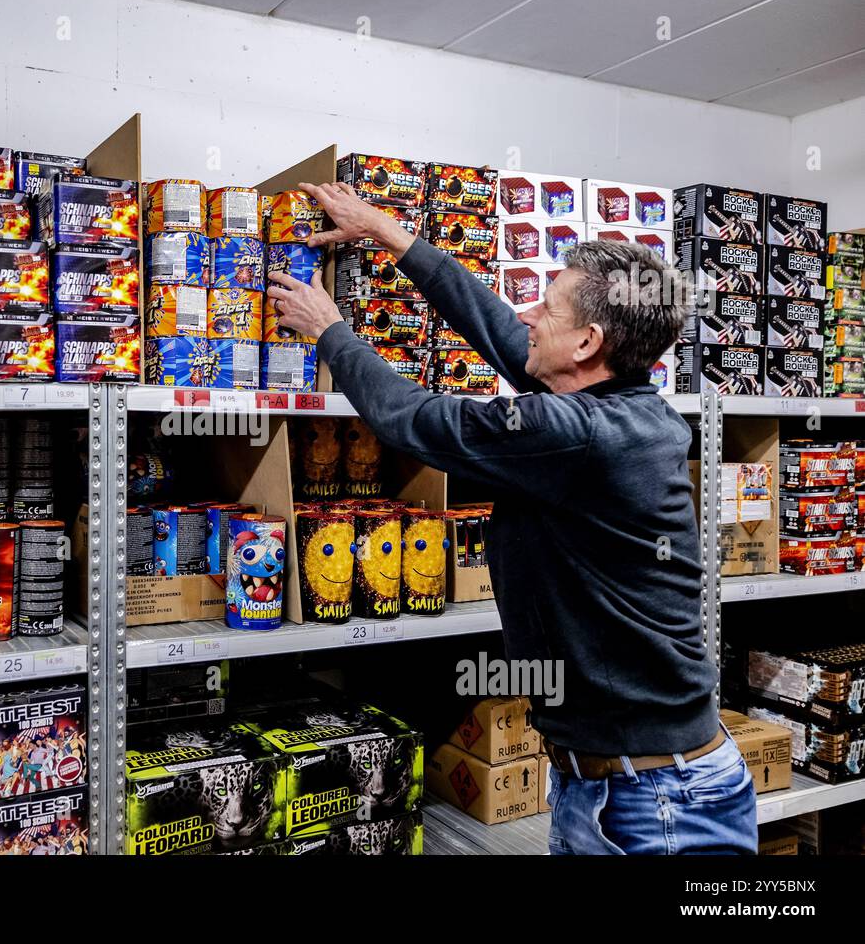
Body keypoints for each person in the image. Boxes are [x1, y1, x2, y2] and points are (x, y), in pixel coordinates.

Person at [266, 181, 756, 855]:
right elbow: (499, 328)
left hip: (657, 806)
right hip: (616, 784)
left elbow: (411, 419)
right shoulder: (626, 407)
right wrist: (391, 233)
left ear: (586, 342)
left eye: (546, 308)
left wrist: (329, 330)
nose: (528, 314)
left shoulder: (579, 434)